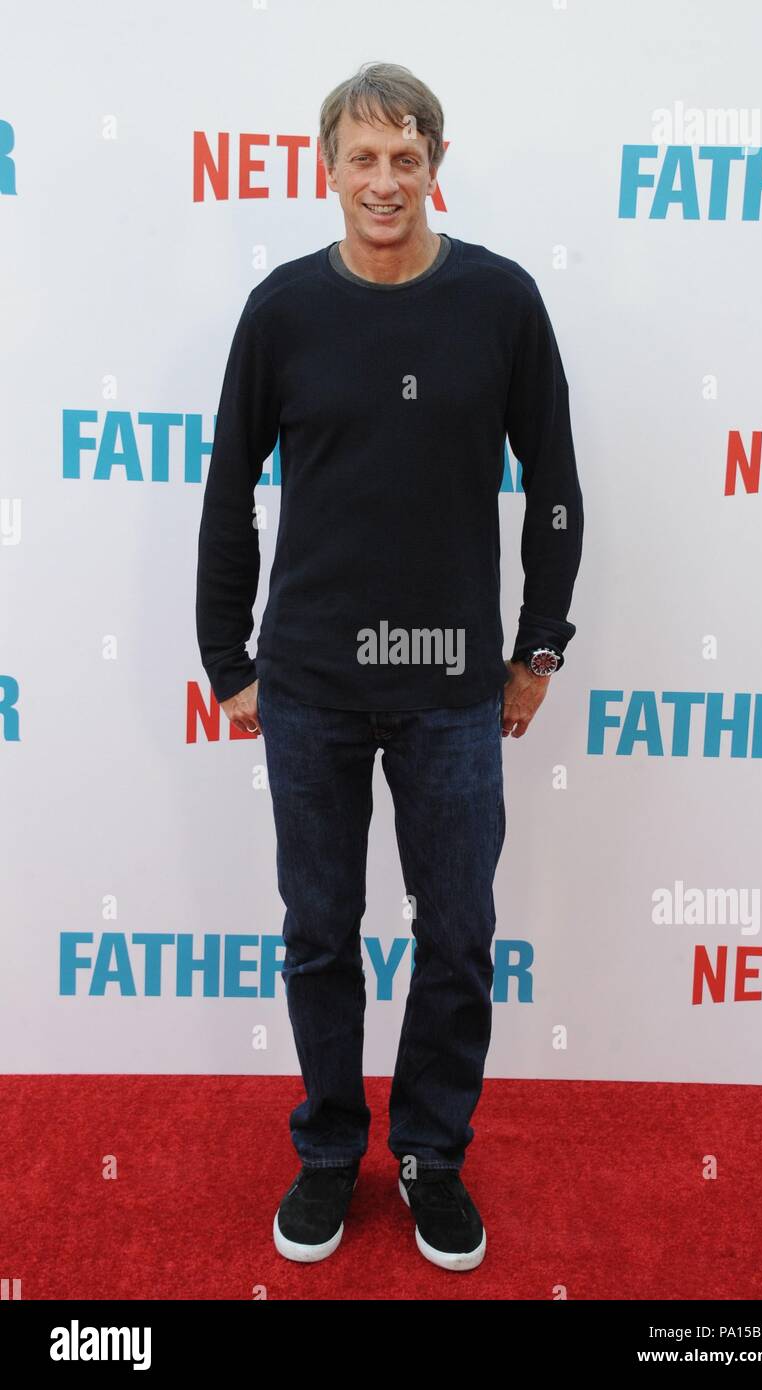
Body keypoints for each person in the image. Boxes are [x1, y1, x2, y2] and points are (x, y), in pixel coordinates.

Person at [195, 61, 583, 1273]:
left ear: (434, 168)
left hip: (454, 685)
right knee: (320, 930)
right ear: (327, 169)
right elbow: (227, 499)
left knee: (458, 931)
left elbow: (557, 492)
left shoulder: (503, 304)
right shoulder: (281, 311)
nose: (383, 180)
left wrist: (540, 647)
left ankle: (429, 1157)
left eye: (404, 157)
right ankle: (325, 1152)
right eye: (361, 158)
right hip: (309, 683)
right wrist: (229, 658)